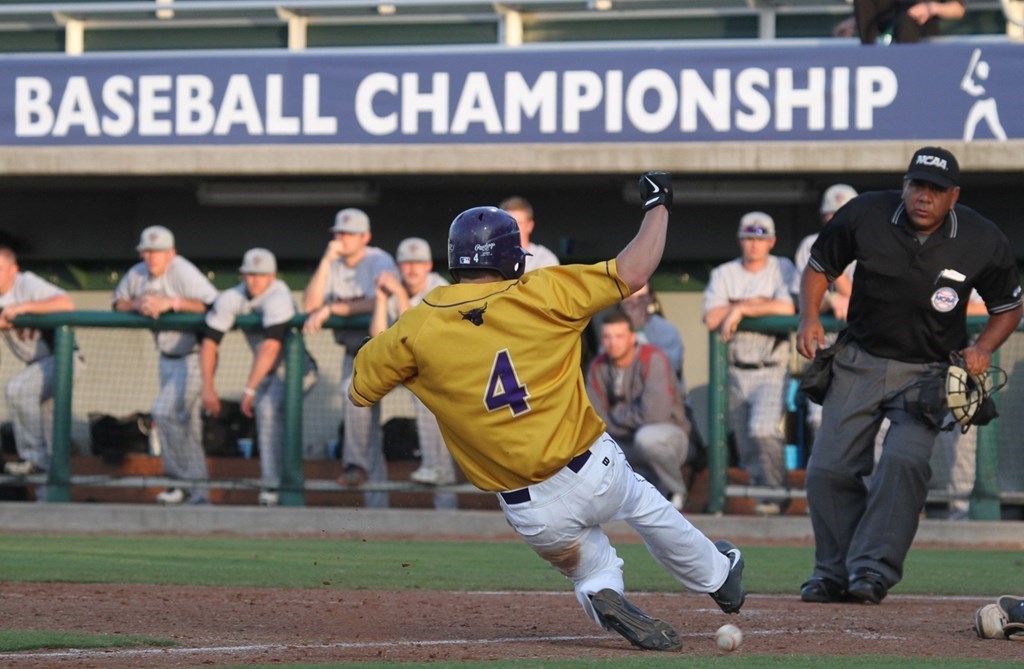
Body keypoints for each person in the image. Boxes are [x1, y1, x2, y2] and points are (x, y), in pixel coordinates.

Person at [347, 174, 746, 652]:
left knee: (593, 567)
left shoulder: (416, 326)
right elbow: (634, 272)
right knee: (646, 507)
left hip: (527, 506)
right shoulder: (542, 290)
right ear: (511, 256)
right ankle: (718, 576)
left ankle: (603, 593)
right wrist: (658, 206)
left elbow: (359, 391)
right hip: (590, 467)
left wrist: (411, 351)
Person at [797, 146, 1022, 605]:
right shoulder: (865, 213)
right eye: (917, 185)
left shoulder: (982, 237)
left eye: (936, 189)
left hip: (929, 372)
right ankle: (831, 573)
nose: (924, 196)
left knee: (903, 463)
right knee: (827, 469)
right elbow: (819, 267)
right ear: (904, 185)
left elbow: (1008, 306)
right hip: (859, 360)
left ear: (953, 196)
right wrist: (808, 318)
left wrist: (982, 347)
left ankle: (871, 572)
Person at [201, 248, 316, 507]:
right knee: (268, 415)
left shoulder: (279, 295)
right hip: (268, 373)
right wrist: (207, 386)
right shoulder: (232, 297)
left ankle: (278, 485)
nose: (254, 280)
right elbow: (209, 343)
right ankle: (274, 484)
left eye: (260, 275)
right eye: (249, 274)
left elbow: (271, 347)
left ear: (272, 276)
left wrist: (250, 389)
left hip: (298, 370)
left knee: (266, 410)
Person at [113, 225, 219, 505]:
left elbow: (212, 303)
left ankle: (180, 483)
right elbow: (117, 303)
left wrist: (171, 302)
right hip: (166, 358)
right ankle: (199, 495)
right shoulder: (137, 273)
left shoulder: (182, 270)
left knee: (163, 411)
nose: (151, 257)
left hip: (193, 358)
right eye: (146, 251)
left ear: (171, 253)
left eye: (157, 252)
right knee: (187, 428)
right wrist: (138, 304)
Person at [703, 211, 797, 517]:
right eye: (748, 238)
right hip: (735, 369)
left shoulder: (782, 268)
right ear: (740, 240)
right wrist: (755, 306)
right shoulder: (724, 273)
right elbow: (711, 317)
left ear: (771, 241)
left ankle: (775, 493)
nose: (754, 245)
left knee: (763, 429)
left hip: (770, 365)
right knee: (745, 443)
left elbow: (787, 307)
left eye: (760, 239)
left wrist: (740, 308)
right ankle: (764, 499)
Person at [302, 208, 397, 508]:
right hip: (353, 351)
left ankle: (355, 465)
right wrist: (327, 261)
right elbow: (309, 305)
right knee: (365, 425)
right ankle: (378, 505)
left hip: (388, 348)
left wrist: (334, 309)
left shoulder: (378, 260)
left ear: (365, 237)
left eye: (347, 234)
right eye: (338, 233)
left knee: (351, 394)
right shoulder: (333, 264)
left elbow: (378, 300)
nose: (340, 238)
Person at [370, 237, 458, 509]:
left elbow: (414, 331)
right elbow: (379, 339)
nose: (412, 269)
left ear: (428, 264)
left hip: (452, 371)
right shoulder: (397, 289)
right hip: (416, 371)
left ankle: (449, 518)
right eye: (406, 263)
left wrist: (397, 293)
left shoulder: (439, 287)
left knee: (447, 448)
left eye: (418, 263)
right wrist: (381, 300)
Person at [586, 308, 693, 511]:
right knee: (592, 445)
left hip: (671, 437)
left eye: (619, 336)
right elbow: (596, 417)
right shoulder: (598, 365)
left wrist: (616, 415)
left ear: (632, 337)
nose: (613, 342)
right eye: (607, 337)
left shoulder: (652, 358)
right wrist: (615, 422)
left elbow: (654, 415)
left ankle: (676, 493)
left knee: (647, 438)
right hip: (626, 438)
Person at [0, 246, 80, 479]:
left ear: (13, 270)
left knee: (17, 389)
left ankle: (34, 459)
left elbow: (66, 303)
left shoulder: (26, 283)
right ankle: (48, 493)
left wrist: (23, 308)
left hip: (63, 359)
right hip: (37, 366)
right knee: (48, 430)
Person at [848, 0, 966, 44]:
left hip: (920, 20)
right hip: (889, 21)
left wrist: (931, 7)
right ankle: (868, 61)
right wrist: (853, 21)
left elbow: (958, 9)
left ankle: (905, 72)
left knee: (906, 21)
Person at [499, 196, 560, 271]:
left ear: (530, 226)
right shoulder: (489, 257)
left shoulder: (545, 260)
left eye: (519, 223)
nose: (512, 228)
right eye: (508, 223)